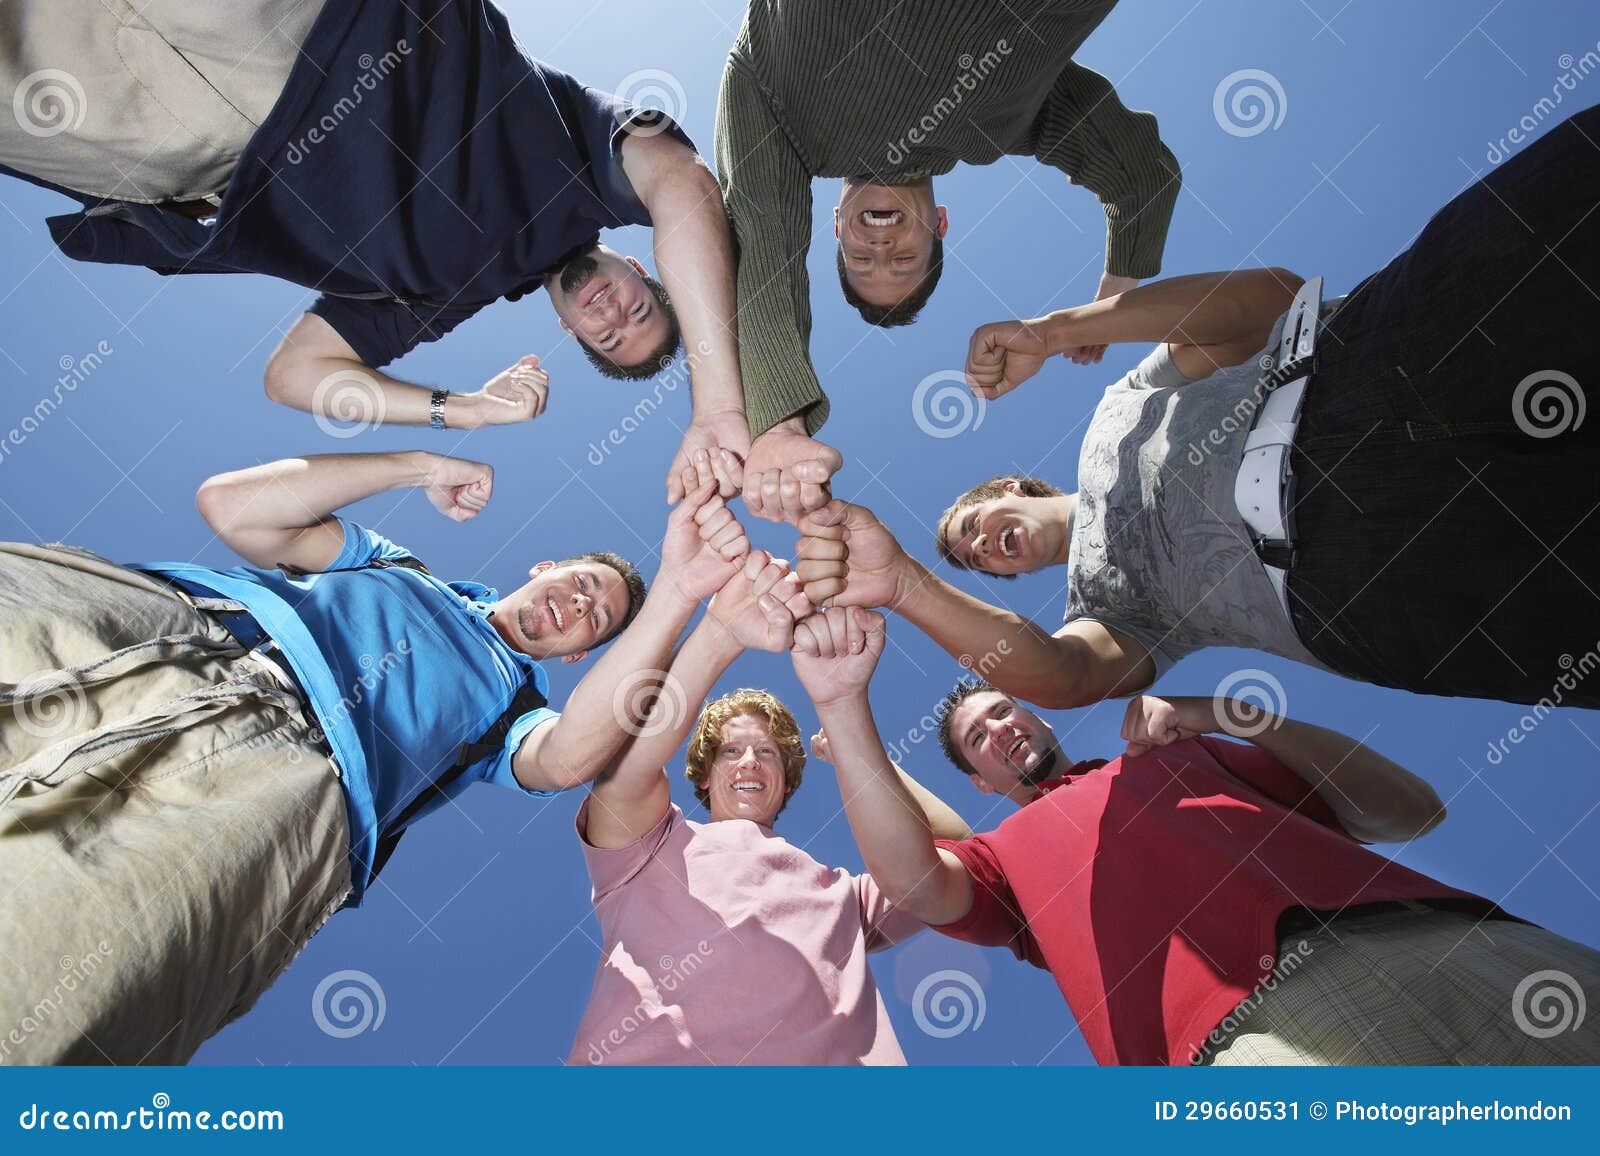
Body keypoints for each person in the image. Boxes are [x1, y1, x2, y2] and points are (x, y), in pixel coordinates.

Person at [0, 449, 749, 1064]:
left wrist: (679, 595)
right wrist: (419, 466)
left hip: (279, 781)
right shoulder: (397, 567)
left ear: (582, 652)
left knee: (60, 952)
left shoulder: (515, 712)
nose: (580, 605)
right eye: (583, 584)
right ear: (544, 567)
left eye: (598, 619)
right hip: (182, 632)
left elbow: (567, 761)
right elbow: (230, 507)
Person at [0, 0, 837, 502]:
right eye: (642, 308)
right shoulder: (588, 159)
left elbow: (293, 379)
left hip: (176, 145)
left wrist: (462, 410)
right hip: (305, 22)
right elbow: (687, 187)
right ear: (640, 266)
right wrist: (720, 409)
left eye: (611, 338)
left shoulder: (437, 299)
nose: (615, 314)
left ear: (575, 337)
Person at [934, 102, 1600, 708]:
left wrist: (1056, 331)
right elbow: (1066, 676)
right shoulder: (1098, 612)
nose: (985, 547)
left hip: (1375, 360)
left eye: (974, 526)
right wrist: (902, 585)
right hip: (1368, 581)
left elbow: (1270, 298)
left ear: (1011, 488)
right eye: (977, 561)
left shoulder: (1118, 409)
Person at [795, 611, 1600, 1065]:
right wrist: (842, 710)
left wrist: (1216, 711)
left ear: (1037, 713)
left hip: (1446, 947)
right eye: (977, 738)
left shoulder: (1179, 753)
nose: (999, 731)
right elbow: (913, 881)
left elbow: (1411, 811)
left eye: (1002, 711)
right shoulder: (1004, 858)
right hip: (1244, 1048)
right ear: (979, 783)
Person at [713, 0, 1179, 521]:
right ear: (939, 224)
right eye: (906, 259)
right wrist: (1104, 312)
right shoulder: (1005, 125)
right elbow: (1140, 174)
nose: (882, 252)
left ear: (838, 223)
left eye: (861, 261)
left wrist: (777, 424)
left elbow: (762, 240)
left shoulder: (781, 111)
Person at [572, 555, 969, 1064]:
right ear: (704, 771)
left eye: (767, 752)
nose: (749, 763)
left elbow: (954, 857)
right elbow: (626, 775)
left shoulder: (845, 895)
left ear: (787, 780)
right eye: (731, 751)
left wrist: (856, 748)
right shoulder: (652, 845)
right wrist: (720, 634)